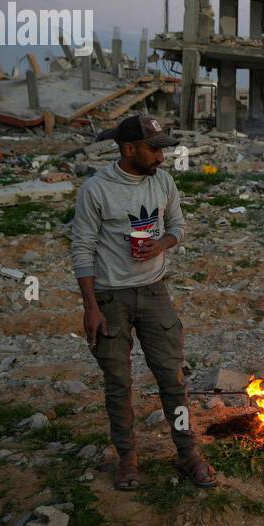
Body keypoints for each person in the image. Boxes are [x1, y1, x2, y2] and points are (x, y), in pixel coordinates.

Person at [70, 114, 216, 490]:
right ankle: (127, 459)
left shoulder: (163, 182)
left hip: (154, 292)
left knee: (172, 379)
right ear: (129, 148)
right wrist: (90, 307)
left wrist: (162, 244)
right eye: (154, 150)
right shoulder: (96, 189)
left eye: (163, 150)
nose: (162, 158)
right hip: (109, 297)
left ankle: (188, 454)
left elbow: (178, 226)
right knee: (118, 383)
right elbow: (83, 249)